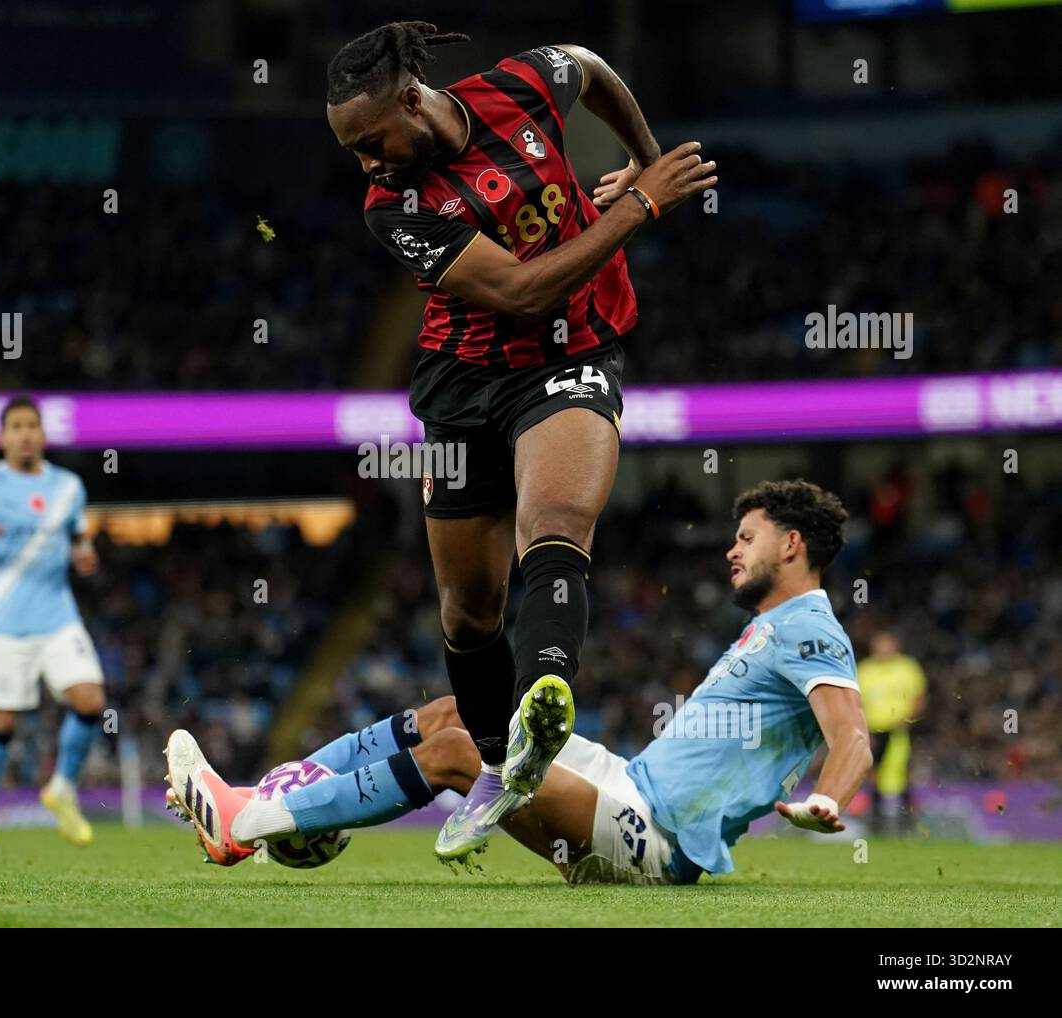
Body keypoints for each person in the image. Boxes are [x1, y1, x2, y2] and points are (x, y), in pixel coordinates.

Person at [325, 20, 718, 863]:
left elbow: (589, 64)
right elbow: (520, 291)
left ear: (410, 99)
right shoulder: (394, 206)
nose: (366, 162)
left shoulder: (515, 86)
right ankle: (501, 766)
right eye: (353, 151)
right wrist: (645, 203)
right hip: (465, 383)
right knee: (468, 610)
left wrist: (641, 155)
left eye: (370, 141)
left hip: (572, 356)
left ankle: (544, 697)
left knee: (558, 517)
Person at [166, 480, 872, 882]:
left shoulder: (810, 629)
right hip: (630, 783)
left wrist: (827, 800)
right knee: (459, 714)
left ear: (791, 545)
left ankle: (246, 824)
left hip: (656, 840)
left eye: (745, 538)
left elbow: (854, 740)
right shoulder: (776, 627)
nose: (730, 550)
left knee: (459, 756)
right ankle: (262, 794)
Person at [0, 395, 105, 854]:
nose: (25, 433)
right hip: (2, 620)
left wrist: (84, 554)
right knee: (1, 723)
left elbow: (79, 536)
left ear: (43, 435)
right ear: (1, 436)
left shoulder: (68, 486)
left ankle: (62, 789)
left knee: (91, 700)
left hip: (57, 614)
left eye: (32, 425)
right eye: (16, 426)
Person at [857, 631, 927, 834]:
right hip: (873, 730)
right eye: (879, 645)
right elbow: (856, 701)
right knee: (873, 772)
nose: (882, 650)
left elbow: (919, 698)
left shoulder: (907, 668)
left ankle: (908, 820)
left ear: (895, 646)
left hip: (899, 730)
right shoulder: (865, 670)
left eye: (886, 645)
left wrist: (907, 720)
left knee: (902, 771)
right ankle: (876, 818)